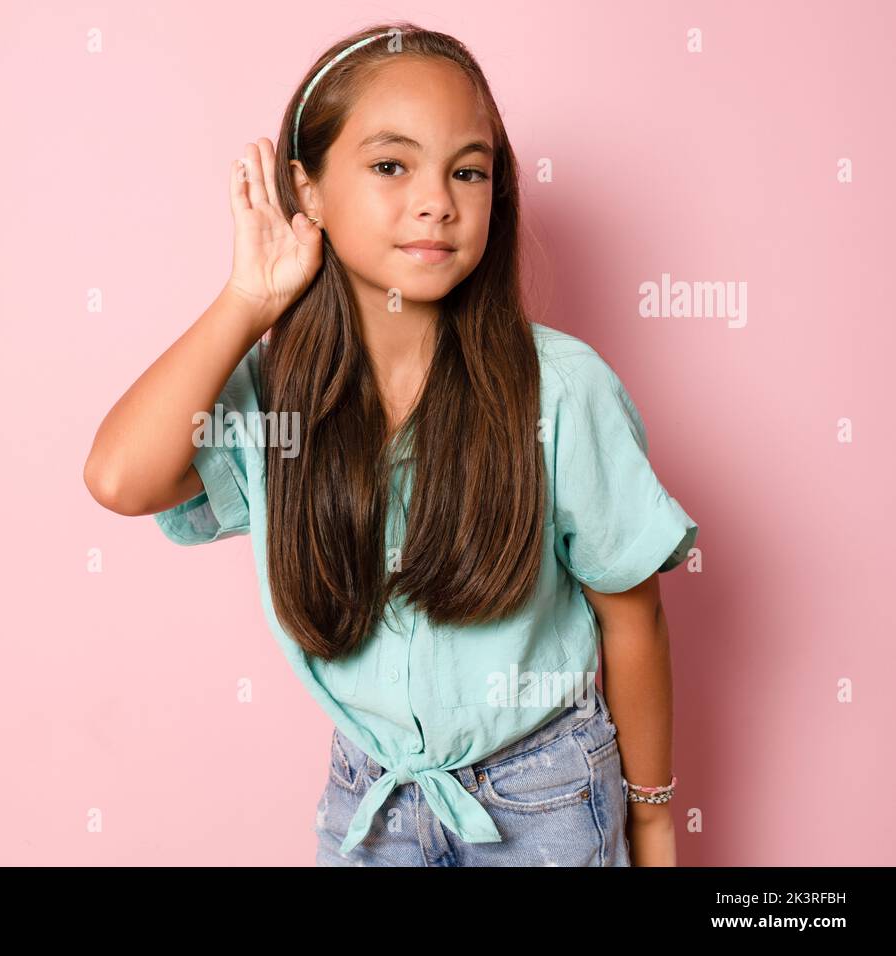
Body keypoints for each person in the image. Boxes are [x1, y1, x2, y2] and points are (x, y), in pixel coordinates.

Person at [83, 21, 698, 866]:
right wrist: (247, 299)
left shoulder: (561, 388)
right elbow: (120, 477)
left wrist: (655, 816)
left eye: (469, 171)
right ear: (310, 193)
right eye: (390, 165)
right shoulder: (274, 400)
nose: (437, 199)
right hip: (369, 806)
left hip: (544, 800)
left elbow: (634, 617)